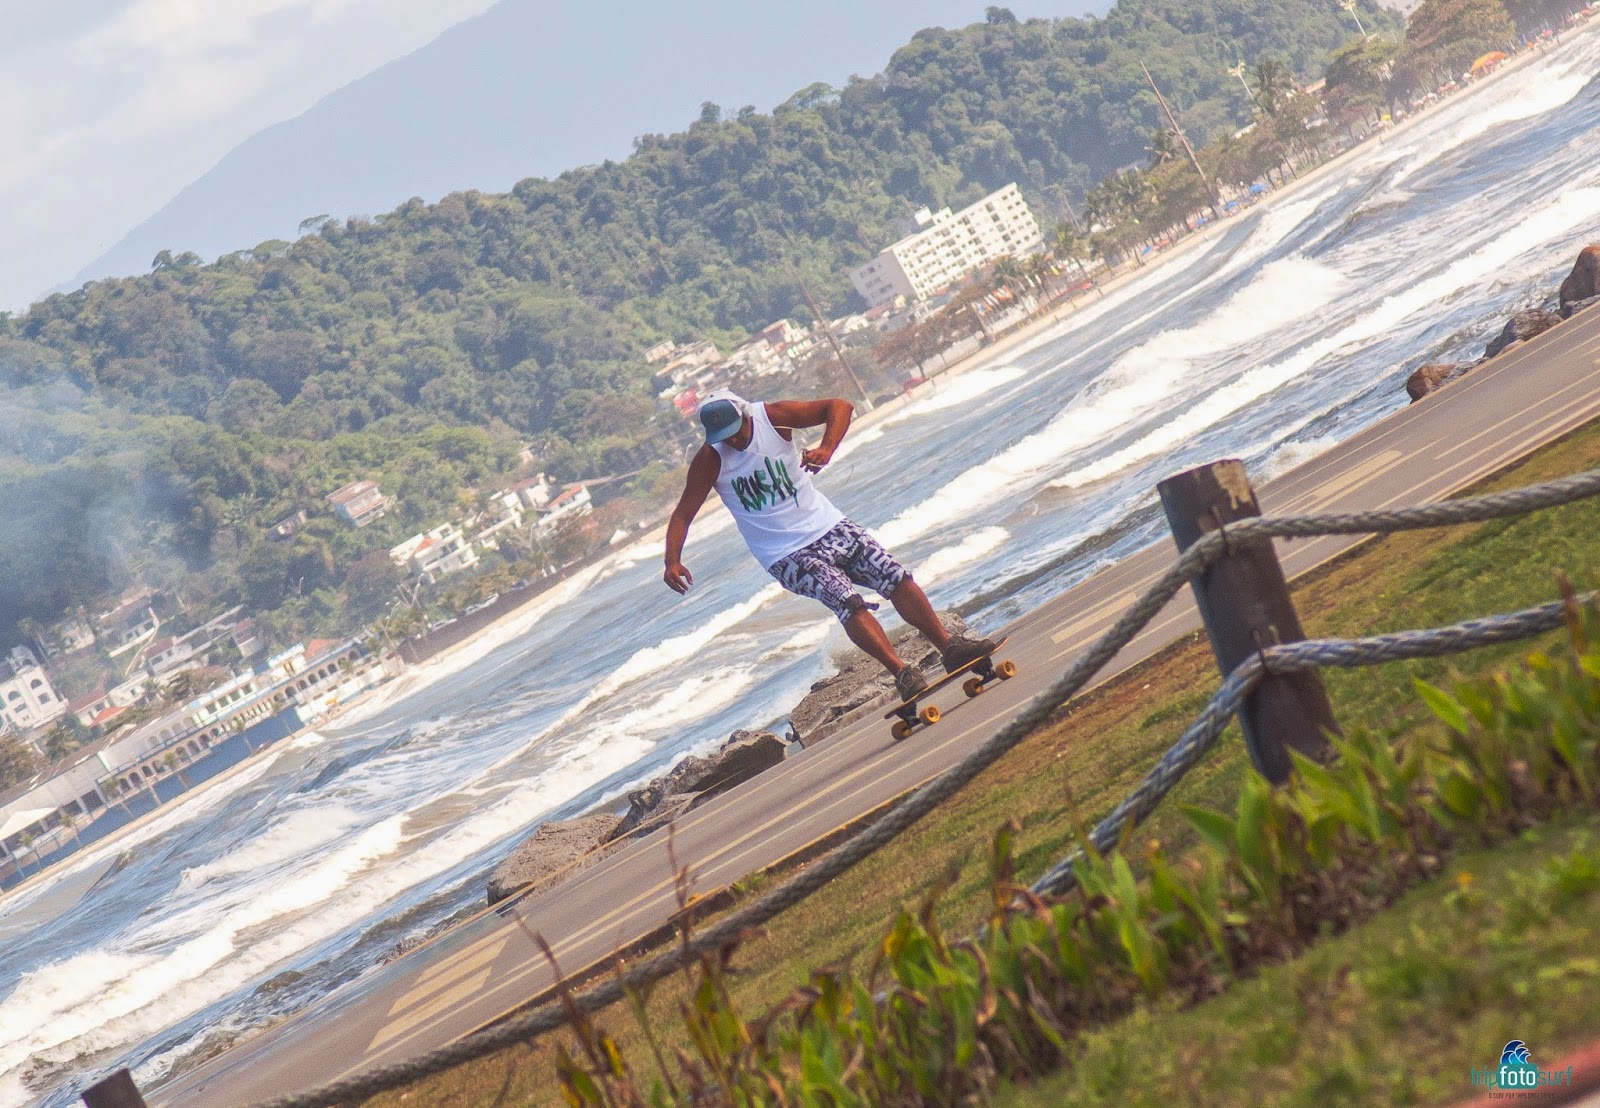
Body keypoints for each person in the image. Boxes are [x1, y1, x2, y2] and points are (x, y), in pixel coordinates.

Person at [662, 389, 995, 701]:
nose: (733, 440)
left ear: (746, 415)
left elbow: (840, 406)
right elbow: (682, 514)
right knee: (848, 602)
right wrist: (672, 561)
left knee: (896, 577)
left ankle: (949, 647)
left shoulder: (772, 417)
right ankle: (903, 673)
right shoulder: (711, 459)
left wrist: (827, 448)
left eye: (736, 429)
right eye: (724, 437)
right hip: (785, 553)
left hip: (829, 525)